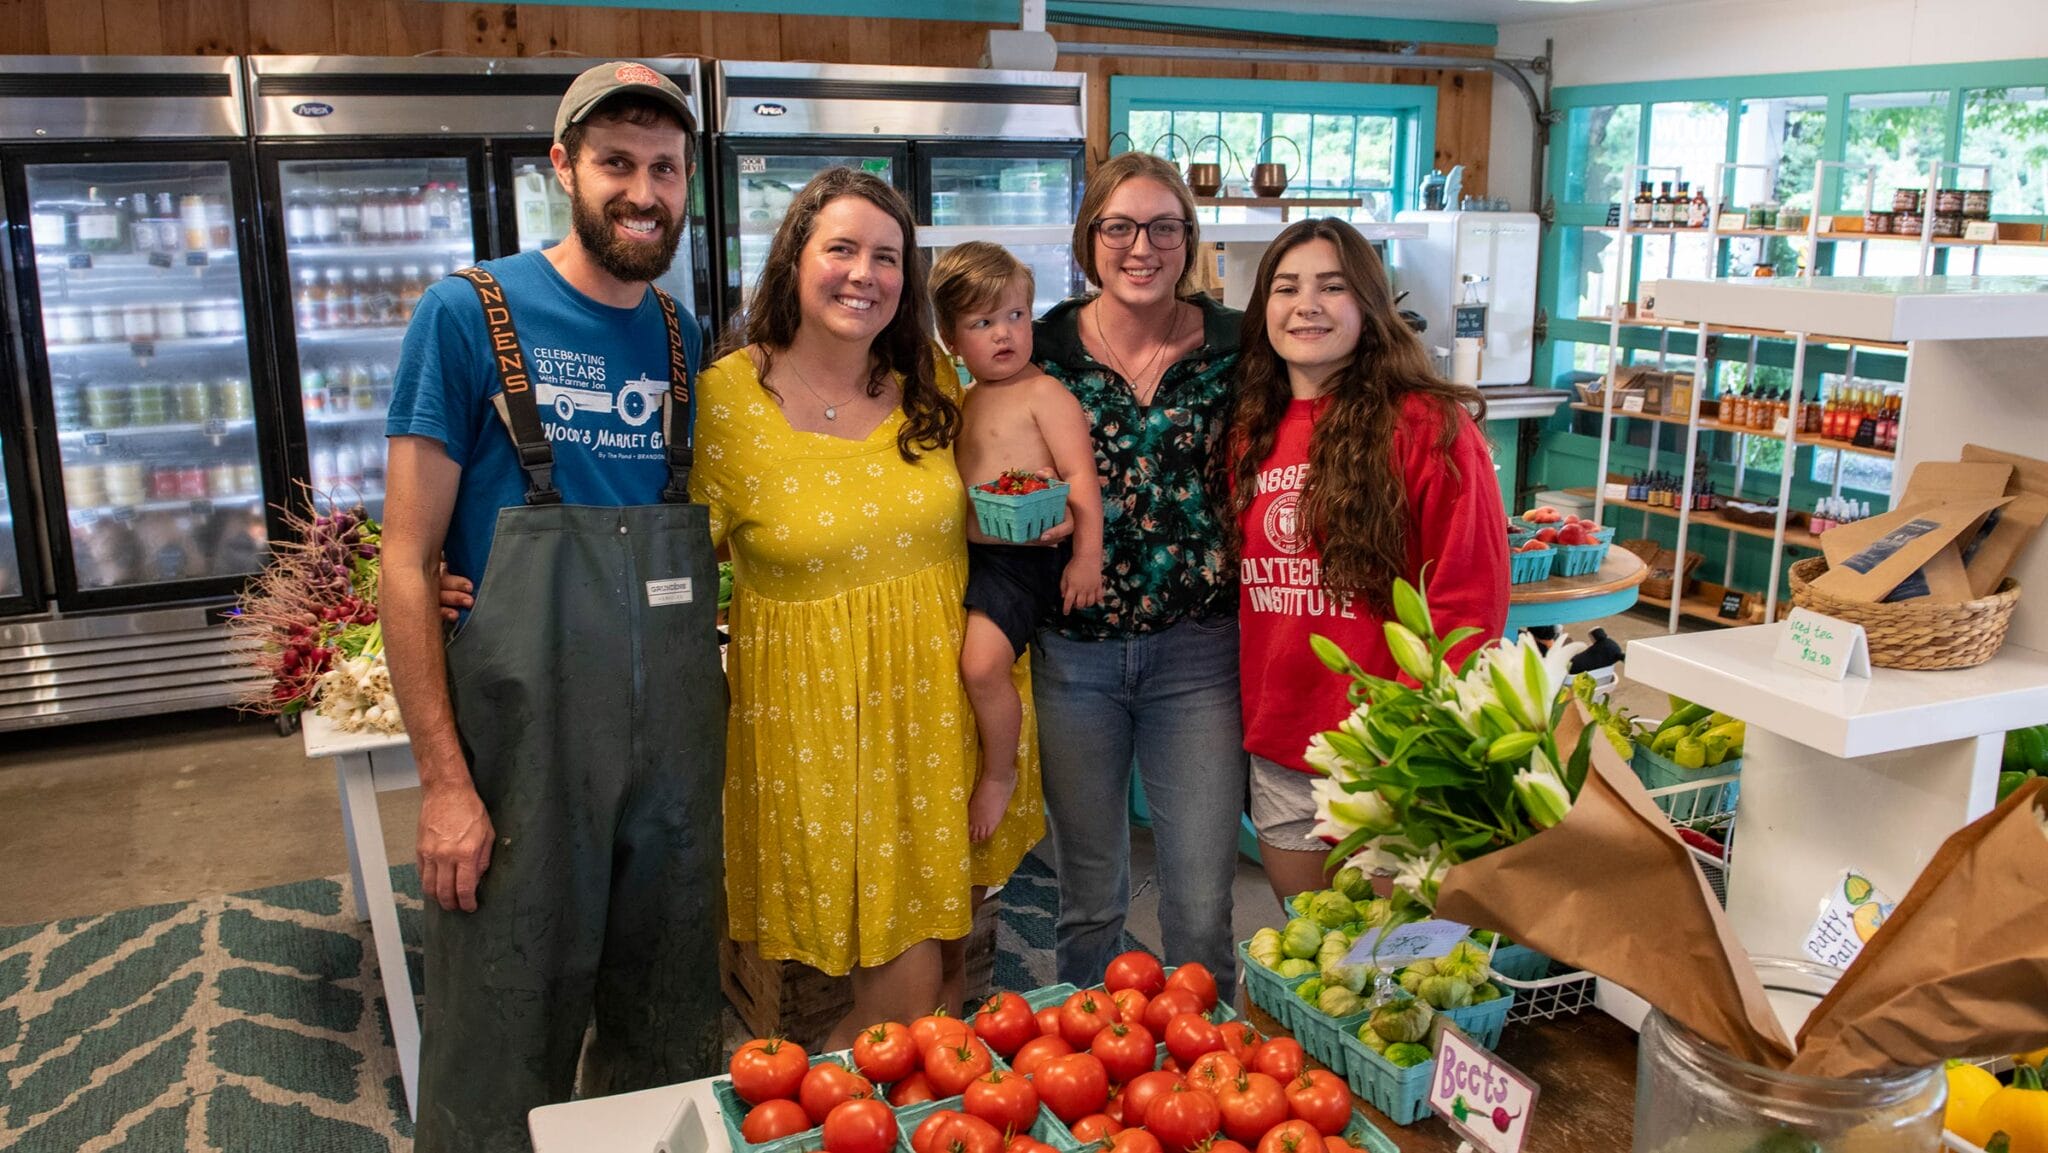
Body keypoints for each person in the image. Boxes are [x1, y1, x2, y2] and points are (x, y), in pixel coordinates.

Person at [381, 63, 722, 1153]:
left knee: (667, 1016)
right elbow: (405, 559)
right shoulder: (465, 313)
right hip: (520, 750)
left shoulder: (680, 333)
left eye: (665, 168)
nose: (643, 192)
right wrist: (443, 783)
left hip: (669, 753)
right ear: (563, 168)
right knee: (503, 1025)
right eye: (617, 162)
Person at [690, 168, 1044, 1046]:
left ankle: (912, 1108)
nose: (865, 273)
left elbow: (995, 498)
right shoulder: (728, 398)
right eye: (841, 248)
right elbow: (684, 555)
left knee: (949, 970)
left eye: (887, 256)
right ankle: (820, 1100)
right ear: (794, 260)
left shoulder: (934, 380)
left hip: (944, 709)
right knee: (900, 1002)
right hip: (820, 729)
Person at [1229, 217, 1509, 904]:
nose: (1307, 305)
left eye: (1333, 286)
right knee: (1312, 945)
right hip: (1285, 747)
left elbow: (1468, 599)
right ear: (1264, 308)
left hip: (1393, 749)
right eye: (1287, 288)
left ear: (1369, 305)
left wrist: (1410, 736)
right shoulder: (1249, 431)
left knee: (1396, 954)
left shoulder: (1428, 425)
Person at [1030, 151, 1247, 989]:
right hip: (1072, 654)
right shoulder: (1042, 347)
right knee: (1088, 899)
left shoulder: (1238, 344)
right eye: (1118, 227)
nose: (1141, 247)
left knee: (1200, 900)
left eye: (1164, 227)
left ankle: (1209, 1057)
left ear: (1189, 238)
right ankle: (1085, 1050)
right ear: (1089, 239)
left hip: (1199, 654)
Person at [931, 242, 1103, 842]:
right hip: (971, 554)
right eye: (982, 323)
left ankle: (1000, 773)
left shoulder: (1044, 394)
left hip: (1023, 558)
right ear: (951, 340)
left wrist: (1087, 558)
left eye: (1015, 316)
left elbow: (1082, 478)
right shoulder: (964, 398)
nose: (1004, 333)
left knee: (981, 668)